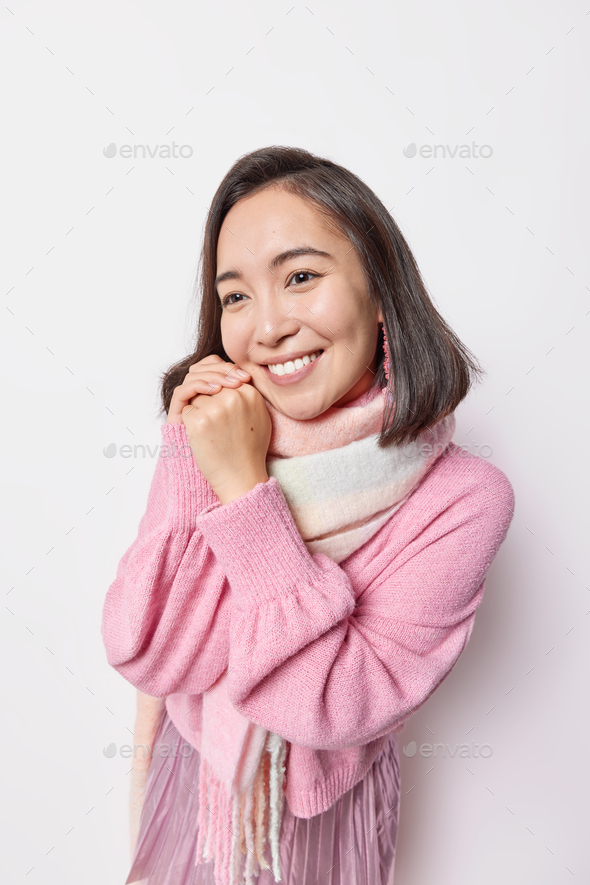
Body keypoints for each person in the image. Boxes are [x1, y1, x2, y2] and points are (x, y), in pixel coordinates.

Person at [101, 145, 515, 885]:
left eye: (299, 277)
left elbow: (333, 703)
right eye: (235, 296)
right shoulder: (217, 429)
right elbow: (150, 650)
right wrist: (195, 464)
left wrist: (246, 493)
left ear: (381, 291)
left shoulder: (463, 498)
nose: (267, 328)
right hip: (199, 786)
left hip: (324, 820)